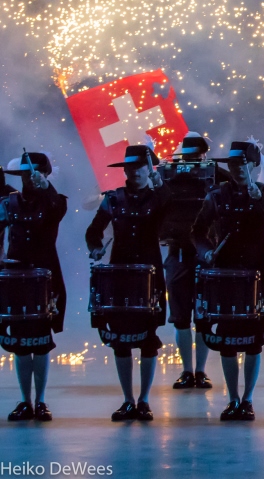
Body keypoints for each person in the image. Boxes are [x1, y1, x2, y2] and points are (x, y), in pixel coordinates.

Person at [192, 139, 264, 421]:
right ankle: (232, 398)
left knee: (254, 340)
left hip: (256, 273)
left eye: (242, 164)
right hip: (225, 275)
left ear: (253, 166)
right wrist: (205, 253)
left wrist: (257, 197)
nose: (238, 169)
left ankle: (248, 399)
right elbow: (197, 231)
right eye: (233, 164)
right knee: (227, 340)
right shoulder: (216, 196)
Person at [85, 145, 169, 422]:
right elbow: (93, 231)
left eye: (139, 167)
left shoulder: (159, 198)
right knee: (120, 341)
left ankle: (144, 400)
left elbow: (175, 216)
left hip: (149, 274)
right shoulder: (113, 199)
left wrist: (162, 186)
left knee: (147, 340)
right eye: (129, 168)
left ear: (149, 169)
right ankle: (127, 400)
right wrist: (96, 248)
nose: (134, 172)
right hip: (119, 275)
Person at [159, 132, 228, 390]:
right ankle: (187, 370)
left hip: (205, 250)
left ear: (204, 155)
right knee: (180, 315)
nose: (192, 162)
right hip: (178, 250)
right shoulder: (169, 175)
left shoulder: (214, 173)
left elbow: (234, 187)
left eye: (197, 157)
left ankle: (200, 370)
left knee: (204, 313)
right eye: (188, 157)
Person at [0, 152, 67, 421]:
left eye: (33, 174)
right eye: (25, 175)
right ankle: (24, 400)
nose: (28, 179)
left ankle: (40, 400)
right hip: (15, 277)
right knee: (18, 343)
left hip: (43, 277)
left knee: (40, 342)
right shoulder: (9, 202)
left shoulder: (54, 201)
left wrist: (46, 186)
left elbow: (56, 209)